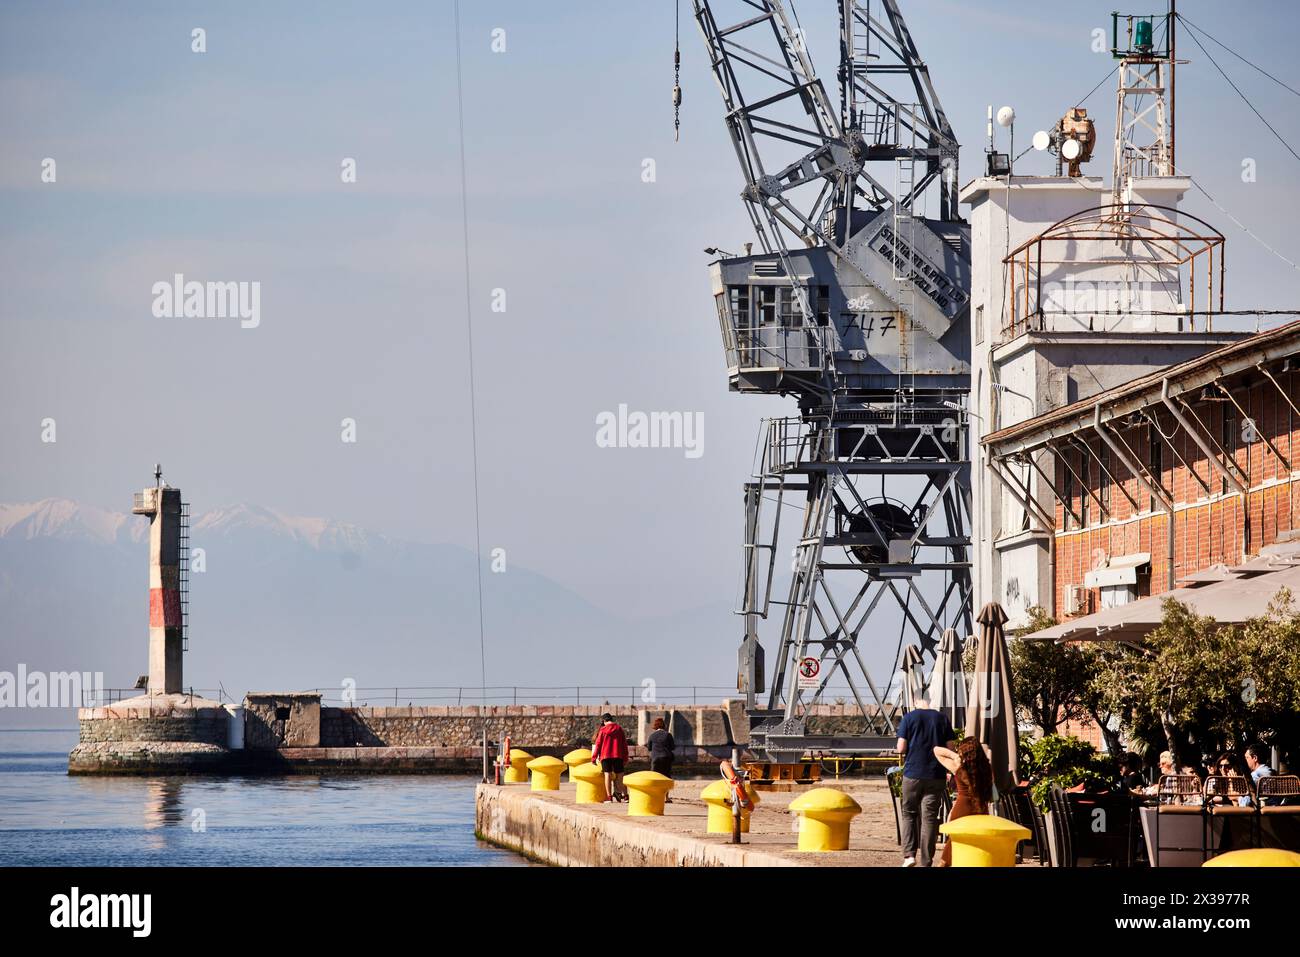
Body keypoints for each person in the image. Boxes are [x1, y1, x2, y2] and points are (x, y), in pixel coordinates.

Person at [895, 697, 955, 867]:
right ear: (930, 701)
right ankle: (926, 861)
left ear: (915, 701)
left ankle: (909, 856)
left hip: (913, 773)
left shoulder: (909, 718)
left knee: (909, 814)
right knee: (929, 818)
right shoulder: (942, 718)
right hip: (936, 775)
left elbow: (901, 748)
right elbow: (950, 749)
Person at [933, 738, 993, 867]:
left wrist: (955, 755)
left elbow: (936, 750)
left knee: (954, 841)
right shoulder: (987, 769)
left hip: (962, 808)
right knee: (976, 845)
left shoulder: (959, 767)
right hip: (981, 809)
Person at [591, 712, 629, 803]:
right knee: (620, 775)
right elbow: (624, 745)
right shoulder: (619, 729)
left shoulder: (603, 730)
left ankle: (609, 797)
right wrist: (625, 757)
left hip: (605, 755)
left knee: (607, 775)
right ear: (612, 720)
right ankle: (625, 795)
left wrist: (594, 757)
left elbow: (598, 744)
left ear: (604, 721)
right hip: (618, 755)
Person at [647, 717, 675, 802]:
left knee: (654, 777)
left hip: (655, 758)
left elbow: (649, 748)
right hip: (666, 758)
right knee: (666, 777)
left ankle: (654, 796)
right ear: (664, 726)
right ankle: (666, 797)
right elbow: (672, 747)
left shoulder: (652, 736)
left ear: (655, 726)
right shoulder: (668, 735)